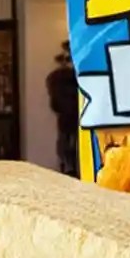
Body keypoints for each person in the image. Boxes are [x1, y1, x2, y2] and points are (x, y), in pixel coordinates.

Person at [46, 41, 79, 176]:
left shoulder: (56, 78)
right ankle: (69, 166)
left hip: (68, 116)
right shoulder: (63, 77)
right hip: (72, 115)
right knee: (68, 143)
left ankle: (67, 165)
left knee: (66, 143)